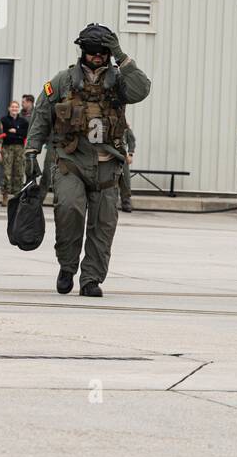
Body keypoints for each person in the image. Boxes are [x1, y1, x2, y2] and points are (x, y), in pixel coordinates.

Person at [26, 23, 151, 297]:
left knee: (103, 225)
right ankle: (67, 266)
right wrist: (31, 150)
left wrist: (120, 54)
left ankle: (91, 278)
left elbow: (143, 89)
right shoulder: (63, 81)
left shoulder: (119, 81)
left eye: (103, 51)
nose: (97, 56)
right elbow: (42, 115)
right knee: (69, 210)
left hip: (108, 165)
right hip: (72, 161)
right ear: (82, 51)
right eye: (92, 50)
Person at [0, 99, 29, 205]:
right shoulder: (4, 120)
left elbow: (25, 133)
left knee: (19, 172)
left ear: (18, 108)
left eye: (16, 107)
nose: (14, 109)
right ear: (9, 108)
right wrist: (14, 133)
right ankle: (5, 195)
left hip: (19, 148)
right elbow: (3, 132)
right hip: (7, 147)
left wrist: (16, 131)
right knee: (7, 172)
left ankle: (17, 195)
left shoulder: (23, 121)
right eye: (12, 107)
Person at [119, 124, 135, 212]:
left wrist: (130, 154)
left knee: (125, 180)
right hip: (109, 155)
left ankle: (126, 202)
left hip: (123, 156)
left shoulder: (125, 126)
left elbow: (131, 140)